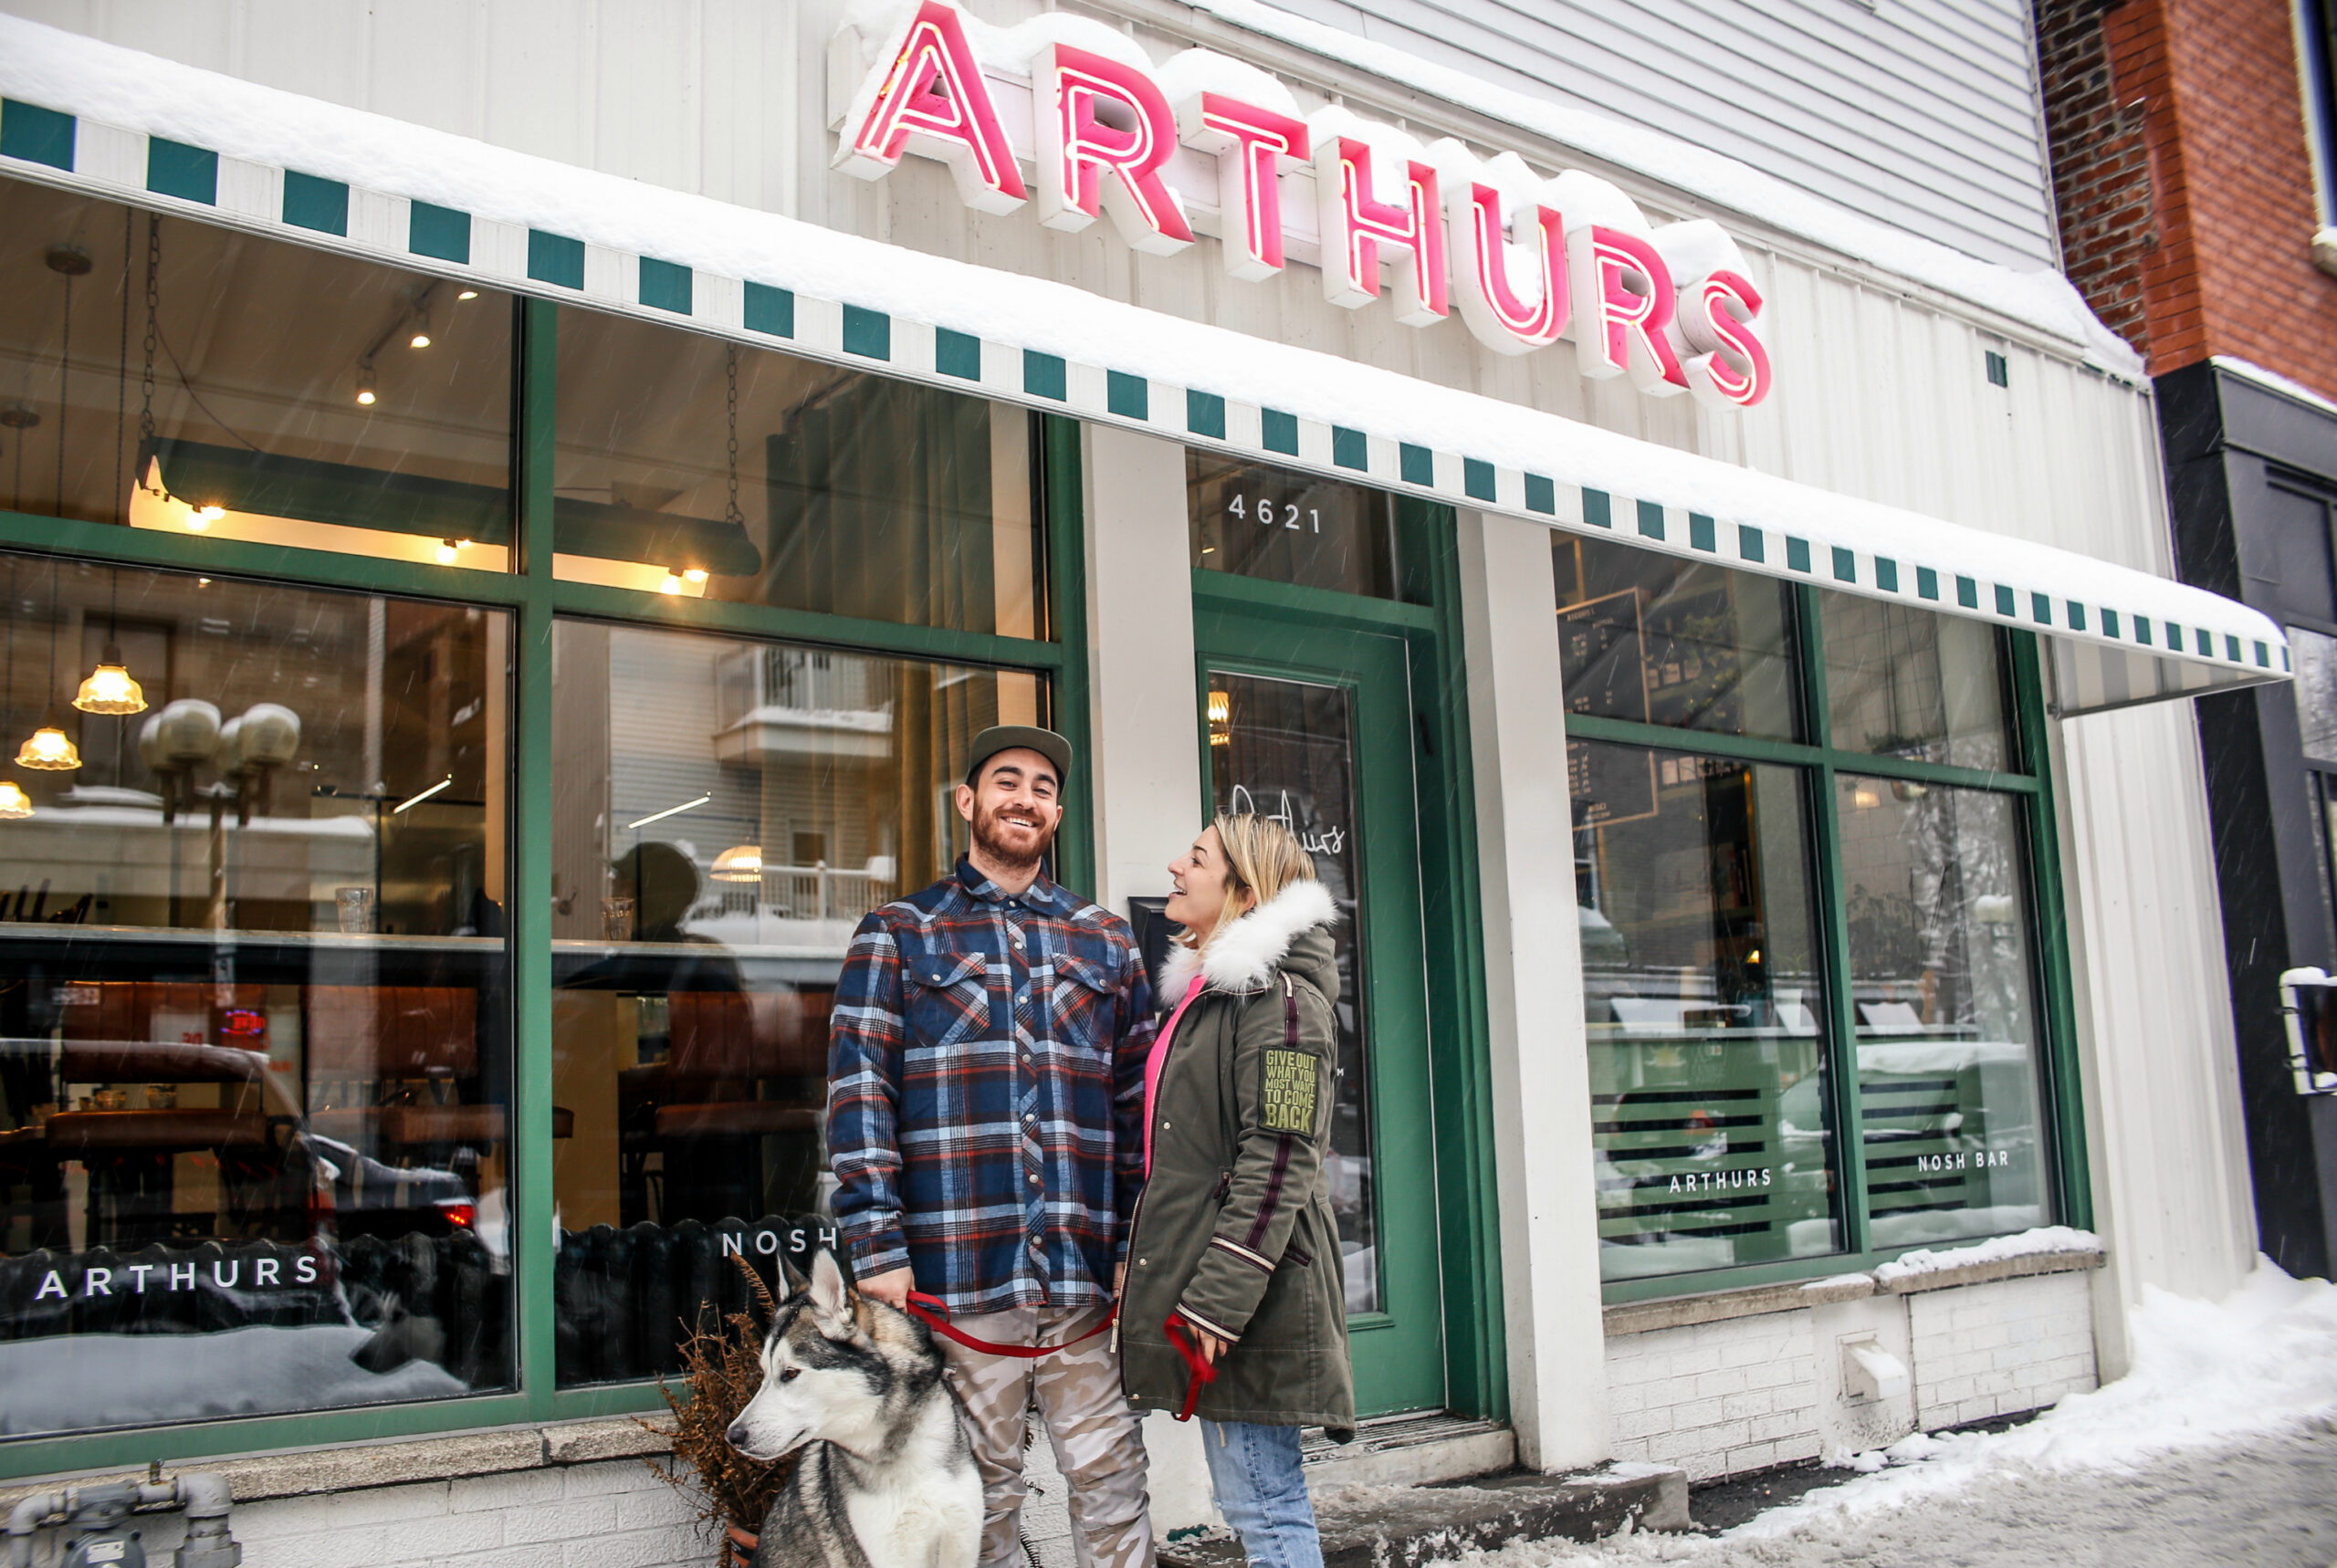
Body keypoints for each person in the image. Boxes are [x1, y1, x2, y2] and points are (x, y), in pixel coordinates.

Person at [826, 725, 1157, 1568]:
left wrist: (1136, 1247)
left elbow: (1136, 1114)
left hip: (1083, 1276)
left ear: (1057, 813)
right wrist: (876, 1248)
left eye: (1043, 787)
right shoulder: (899, 934)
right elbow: (860, 1099)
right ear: (968, 803)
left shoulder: (1105, 941)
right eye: (1006, 781)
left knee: (1112, 1477)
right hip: (958, 1273)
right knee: (982, 1488)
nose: (1025, 798)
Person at [1119, 813, 1352, 1568]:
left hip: (1251, 1294)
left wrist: (1217, 1298)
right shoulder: (1212, 1000)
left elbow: (1281, 1160)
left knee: (1263, 1498)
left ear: (1244, 891)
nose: (1174, 870)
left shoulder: (1280, 1006)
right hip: (1223, 1284)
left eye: (1195, 859)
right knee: (1254, 1495)